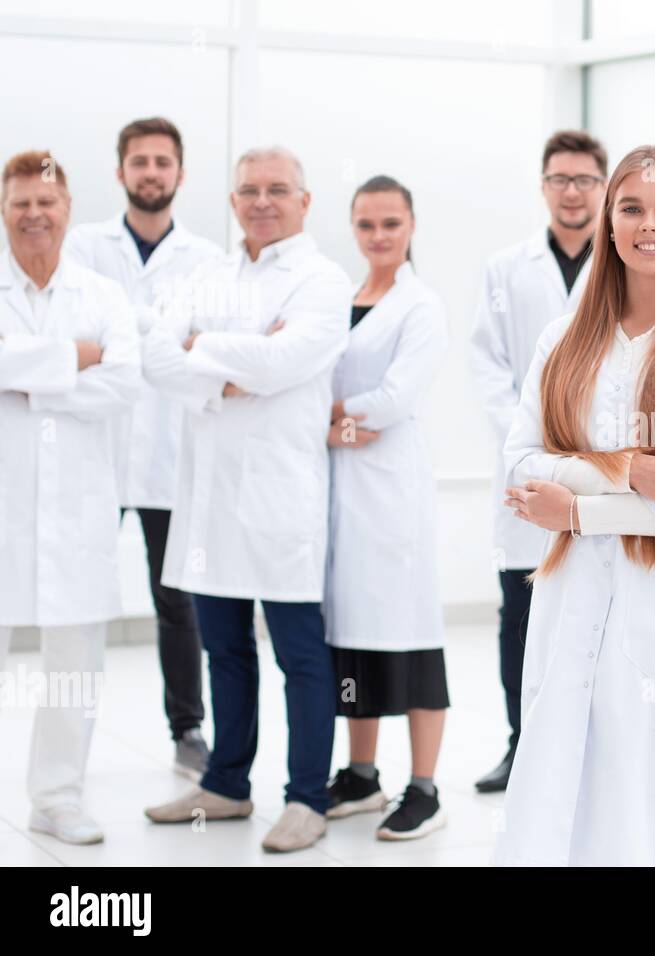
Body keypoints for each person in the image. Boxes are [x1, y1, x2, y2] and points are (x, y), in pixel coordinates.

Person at [490, 144, 655, 865]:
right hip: (571, 601)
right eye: (632, 208)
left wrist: (577, 508)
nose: (651, 224)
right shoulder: (564, 340)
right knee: (566, 800)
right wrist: (632, 470)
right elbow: (520, 468)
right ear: (609, 225)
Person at [141, 146, 351, 853]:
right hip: (210, 500)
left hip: (278, 495)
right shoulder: (208, 273)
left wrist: (209, 350)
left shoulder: (323, 280)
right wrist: (229, 366)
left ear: (304, 200)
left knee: (300, 654)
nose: (261, 202)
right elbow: (156, 358)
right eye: (248, 190)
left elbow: (286, 361)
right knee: (225, 650)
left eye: (277, 190)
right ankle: (227, 786)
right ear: (232, 200)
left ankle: (308, 797)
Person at [63, 117, 223, 781]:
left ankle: (187, 727)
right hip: (94, 449)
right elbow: (75, 337)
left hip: (167, 456)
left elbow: (203, 346)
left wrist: (128, 337)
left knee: (176, 599)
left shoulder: (208, 260)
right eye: (139, 162)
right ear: (121, 172)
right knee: (76, 598)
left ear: (180, 174)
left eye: (162, 162)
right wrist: (157, 338)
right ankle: (67, 741)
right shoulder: (82, 248)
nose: (151, 172)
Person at [0, 150, 141, 845]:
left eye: (45, 203)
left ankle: (56, 795)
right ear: (4, 210)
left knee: (73, 663)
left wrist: (20, 371)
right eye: (21, 202)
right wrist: (72, 357)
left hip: (78, 508)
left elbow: (125, 384)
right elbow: (96, 372)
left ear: (67, 210)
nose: (33, 215)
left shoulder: (103, 296)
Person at [468, 130, 605, 793]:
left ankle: (589, 751)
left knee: (599, 610)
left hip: (603, 465)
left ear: (602, 186)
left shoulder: (627, 263)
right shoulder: (506, 268)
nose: (572, 191)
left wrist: (582, 446)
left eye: (584, 179)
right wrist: (529, 440)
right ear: (544, 187)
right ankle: (522, 745)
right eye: (560, 179)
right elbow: (487, 363)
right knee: (520, 615)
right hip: (527, 469)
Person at [321, 175, 452, 840]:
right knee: (351, 634)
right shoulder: (343, 297)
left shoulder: (420, 305)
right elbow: (321, 387)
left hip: (393, 490)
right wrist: (336, 424)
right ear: (352, 228)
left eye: (391, 225)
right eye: (367, 225)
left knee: (410, 635)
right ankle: (361, 774)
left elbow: (395, 400)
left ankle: (424, 786)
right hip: (343, 487)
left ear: (411, 226)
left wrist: (326, 420)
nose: (378, 237)